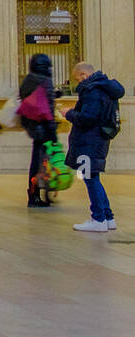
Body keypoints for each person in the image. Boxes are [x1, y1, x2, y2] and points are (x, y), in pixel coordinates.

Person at [65, 62, 124, 233]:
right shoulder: (106, 88)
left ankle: (98, 218)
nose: (78, 82)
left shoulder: (92, 90)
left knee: (90, 178)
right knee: (93, 177)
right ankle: (108, 217)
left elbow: (87, 118)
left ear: (84, 74)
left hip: (89, 141)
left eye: (78, 79)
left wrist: (68, 113)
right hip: (98, 140)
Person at [19, 53, 59, 208]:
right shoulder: (45, 80)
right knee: (45, 162)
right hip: (44, 126)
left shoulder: (28, 80)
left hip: (32, 125)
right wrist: (52, 131)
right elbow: (47, 107)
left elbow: (30, 99)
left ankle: (34, 193)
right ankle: (39, 196)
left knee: (36, 161)